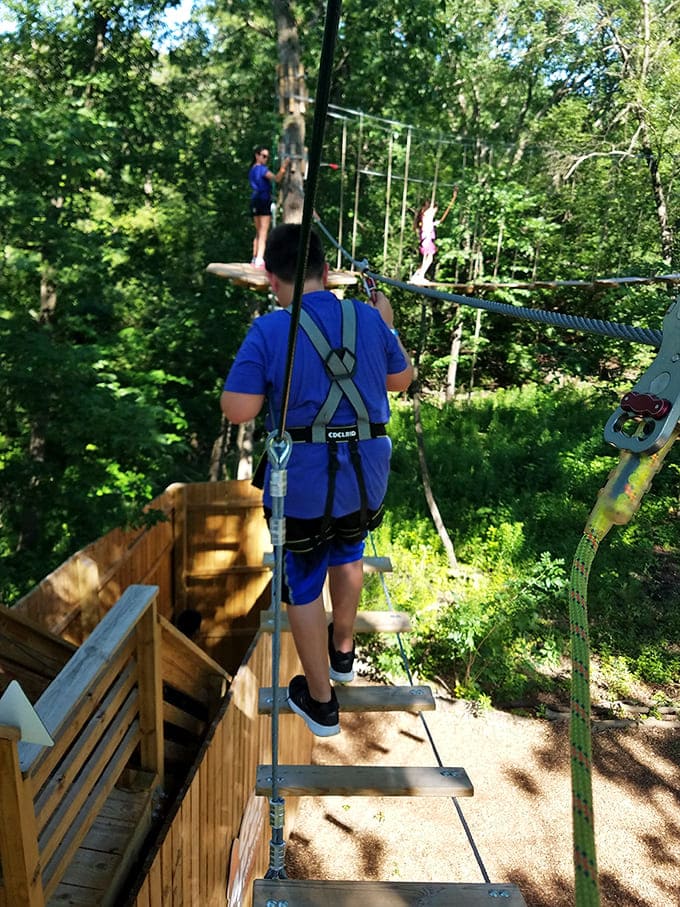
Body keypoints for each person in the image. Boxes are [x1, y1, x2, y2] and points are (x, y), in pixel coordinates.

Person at [221, 223, 413, 737]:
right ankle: (342, 650)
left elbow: (238, 410)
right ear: (326, 273)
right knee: (349, 549)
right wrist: (385, 323)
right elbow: (400, 379)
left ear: (270, 278)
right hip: (364, 476)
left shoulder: (269, 330)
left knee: (303, 582)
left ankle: (322, 702)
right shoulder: (369, 319)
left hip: (304, 485)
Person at [248, 146, 289, 268]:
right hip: (263, 200)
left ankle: (255, 257)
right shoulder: (261, 169)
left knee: (258, 231)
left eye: (267, 157)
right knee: (263, 231)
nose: (265, 159)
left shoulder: (252, 170)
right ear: (257, 155)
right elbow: (277, 179)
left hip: (255, 200)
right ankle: (260, 259)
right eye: (264, 156)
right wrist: (284, 166)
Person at [411, 201, 438, 283]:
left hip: (426, 239)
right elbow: (427, 225)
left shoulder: (425, 218)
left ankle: (416, 276)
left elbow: (428, 225)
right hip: (426, 239)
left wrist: (434, 223)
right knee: (428, 258)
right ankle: (420, 276)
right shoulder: (426, 215)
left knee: (427, 258)